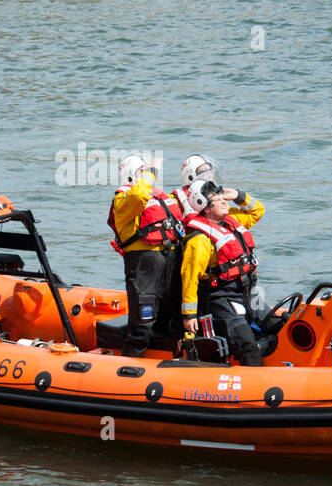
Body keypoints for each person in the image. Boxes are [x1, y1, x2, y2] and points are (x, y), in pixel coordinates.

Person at [179, 179, 265, 366]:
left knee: (278, 323)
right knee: (248, 345)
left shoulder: (230, 221)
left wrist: (239, 196)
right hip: (221, 298)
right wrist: (189, 316)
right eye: (218, 199)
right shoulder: (199, 240)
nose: (224, 201)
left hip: (246, 294)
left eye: (221, 197)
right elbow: (190, 278)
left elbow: (257, 211)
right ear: (206, 207)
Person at [108, 154, 184, 357]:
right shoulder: (124, 198)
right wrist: (151, 171)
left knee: (173, 314)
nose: (149, 177)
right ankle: (131, 360)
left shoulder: (161, 197)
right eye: (143, 173)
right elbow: (139, 195)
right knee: (143, 318)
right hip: (145, 262)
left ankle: (174, 357)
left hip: (171, 258)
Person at [170, 153, 217, 219]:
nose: (210, 175)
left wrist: (237, 198)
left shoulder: (218, 197)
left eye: (210, 170)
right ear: (190, 177)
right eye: (204, 171)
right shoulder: (176, 199)